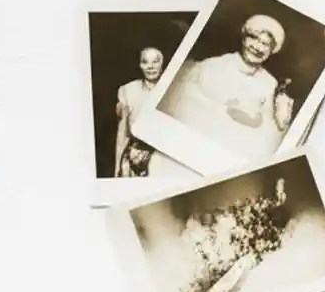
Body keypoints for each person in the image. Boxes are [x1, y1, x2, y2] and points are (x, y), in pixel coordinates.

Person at [166, 15, 295, 156]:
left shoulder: (270, 83)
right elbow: (189, 111)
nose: (257, 47)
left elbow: (269, 131)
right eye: (254, 38)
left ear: (271, 51)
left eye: (265, 44)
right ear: (244, 38)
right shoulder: (212, 67)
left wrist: (280, 115)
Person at [114, 47, 165, 177]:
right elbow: (122, 133)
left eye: (155, 61)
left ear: (162, 64)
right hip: (133, 162)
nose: (150, 67)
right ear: (140, 65)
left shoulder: (172, 89)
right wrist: (117, 169)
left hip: (163, 161)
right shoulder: (128, 90)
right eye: (145, 62)